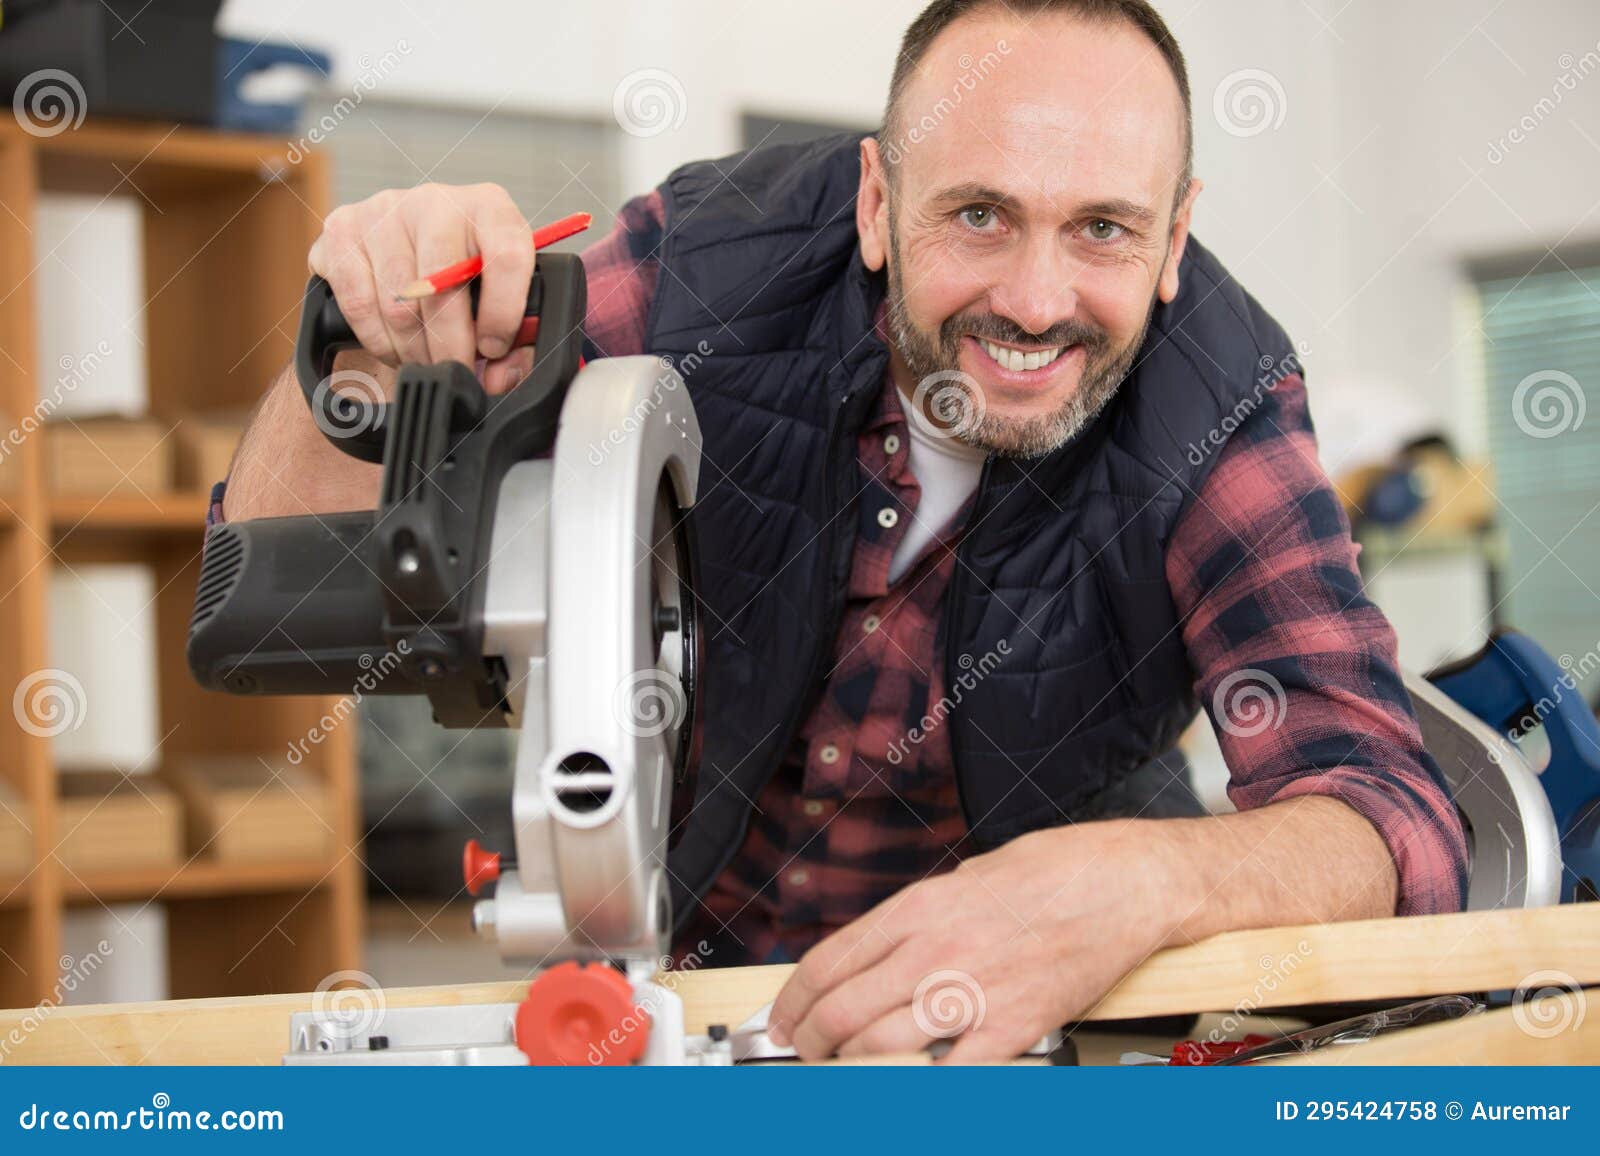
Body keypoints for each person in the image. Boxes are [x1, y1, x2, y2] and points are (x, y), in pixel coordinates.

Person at [219, 0, 1467, 1062]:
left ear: (1173, 238)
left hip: (1032, 1002)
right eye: (977, 213)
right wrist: (362, 340)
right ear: (878, 200)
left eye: (1102, 227)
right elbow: (271, 598)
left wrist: (1130, 883)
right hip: (675, 970)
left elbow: (1387, 814)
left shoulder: (1223, 401)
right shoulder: (711, 265)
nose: (1035, 300)